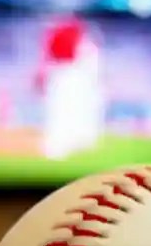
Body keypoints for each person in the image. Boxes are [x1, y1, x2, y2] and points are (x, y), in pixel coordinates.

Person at [36, 16, 105, 160]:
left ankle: (67, 143)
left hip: (66, 76)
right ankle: (61, 145)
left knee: (64, 113)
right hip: (69, 76)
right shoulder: (80, 44)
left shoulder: (80, 45)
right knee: (64, 113)